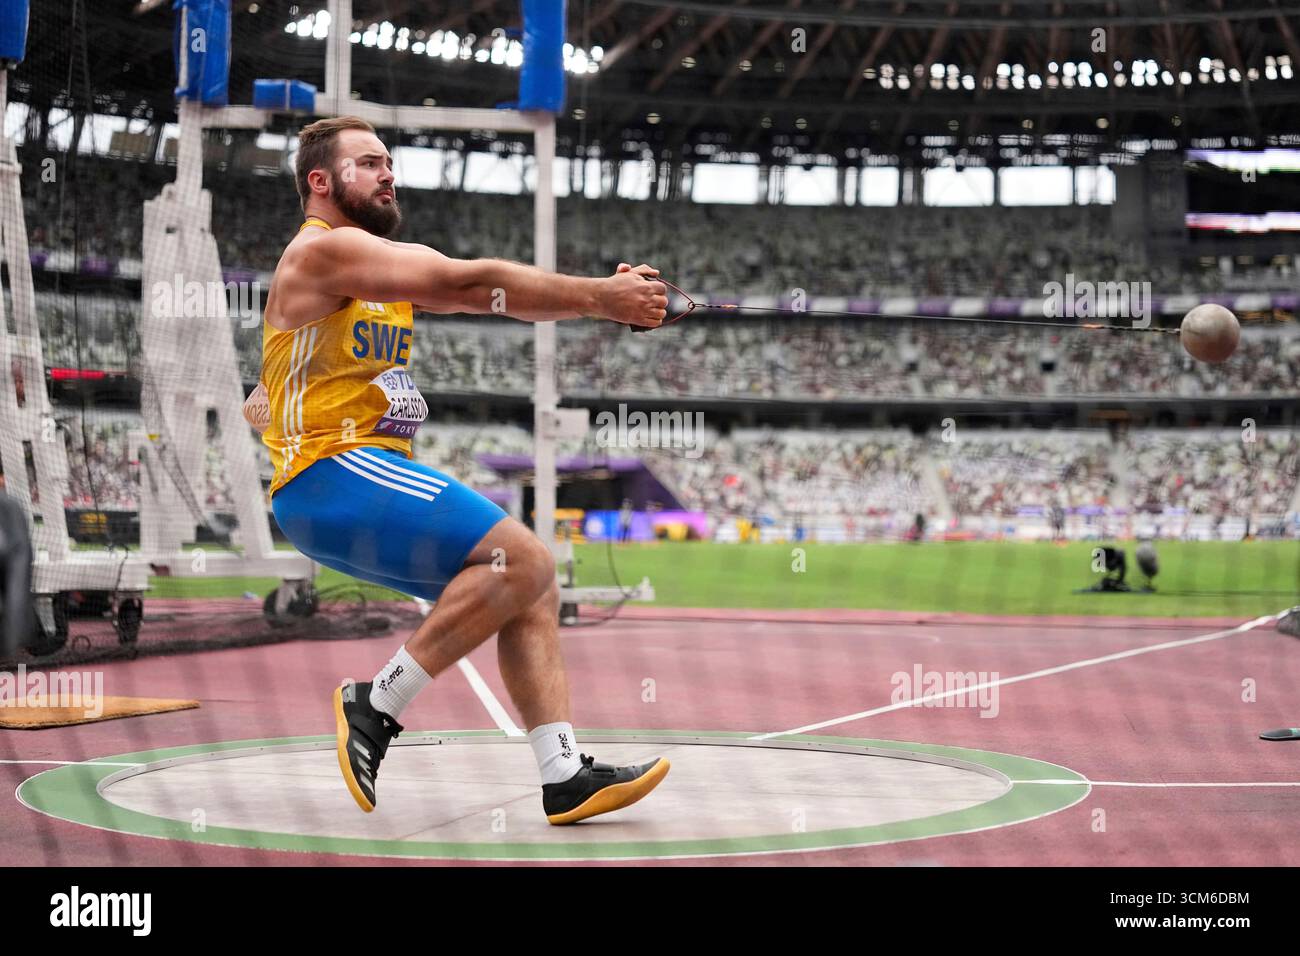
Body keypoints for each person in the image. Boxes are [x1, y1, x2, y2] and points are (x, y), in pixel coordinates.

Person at [253, 116, 671, 824]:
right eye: (369, 163)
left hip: (343, 482)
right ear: (320, 183)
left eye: (390, 162)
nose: (389, 173)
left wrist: (273, 401)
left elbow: (486, 300)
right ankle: (374, 703)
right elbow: (473, 283)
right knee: (526, 555)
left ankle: (562, 771)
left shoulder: (370, 276)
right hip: (332, 476)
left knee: (525, 585)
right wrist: (600, 298)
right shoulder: (321, 253)